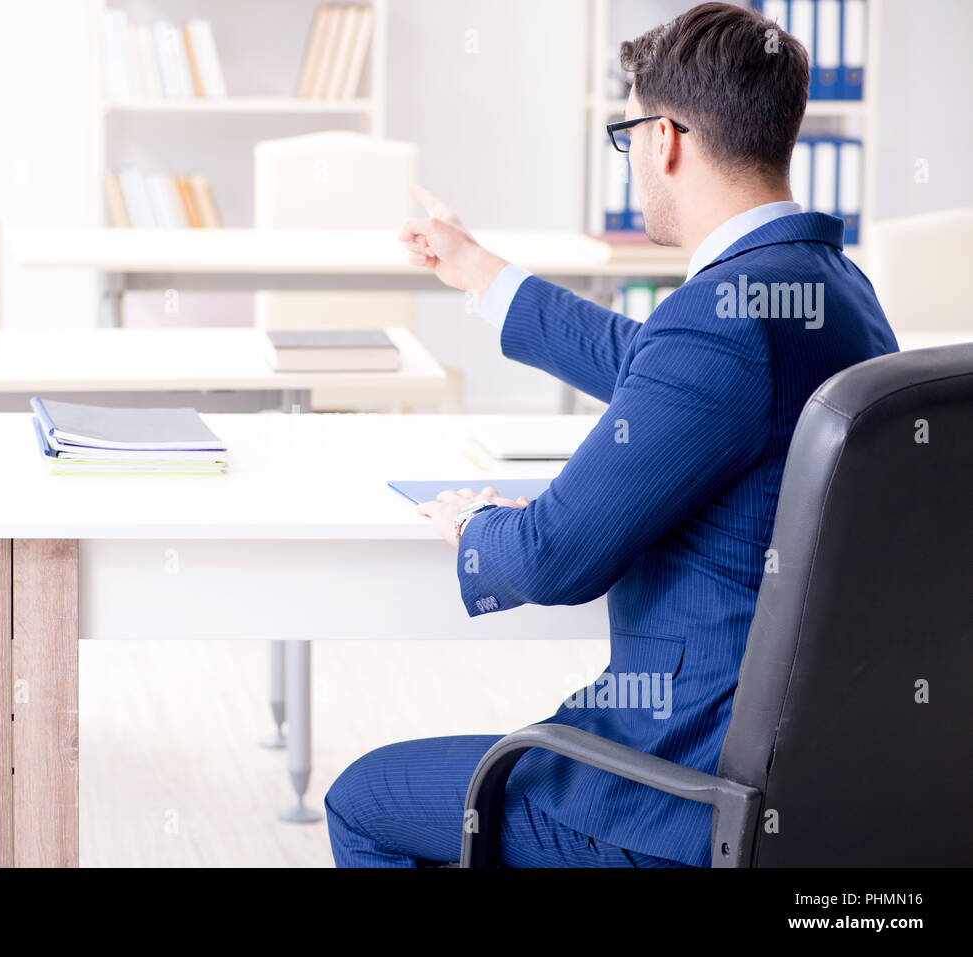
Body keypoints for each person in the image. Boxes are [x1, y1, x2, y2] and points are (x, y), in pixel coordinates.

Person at [325, 1, 898, 868]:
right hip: (815, 780)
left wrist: (479, 525)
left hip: (678, 791)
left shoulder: (720, 322)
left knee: (365, 799)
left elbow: (554, 557)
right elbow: (657, 365)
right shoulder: (835, 290)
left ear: (665, 137)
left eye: (628, 135)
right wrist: (480, 273)